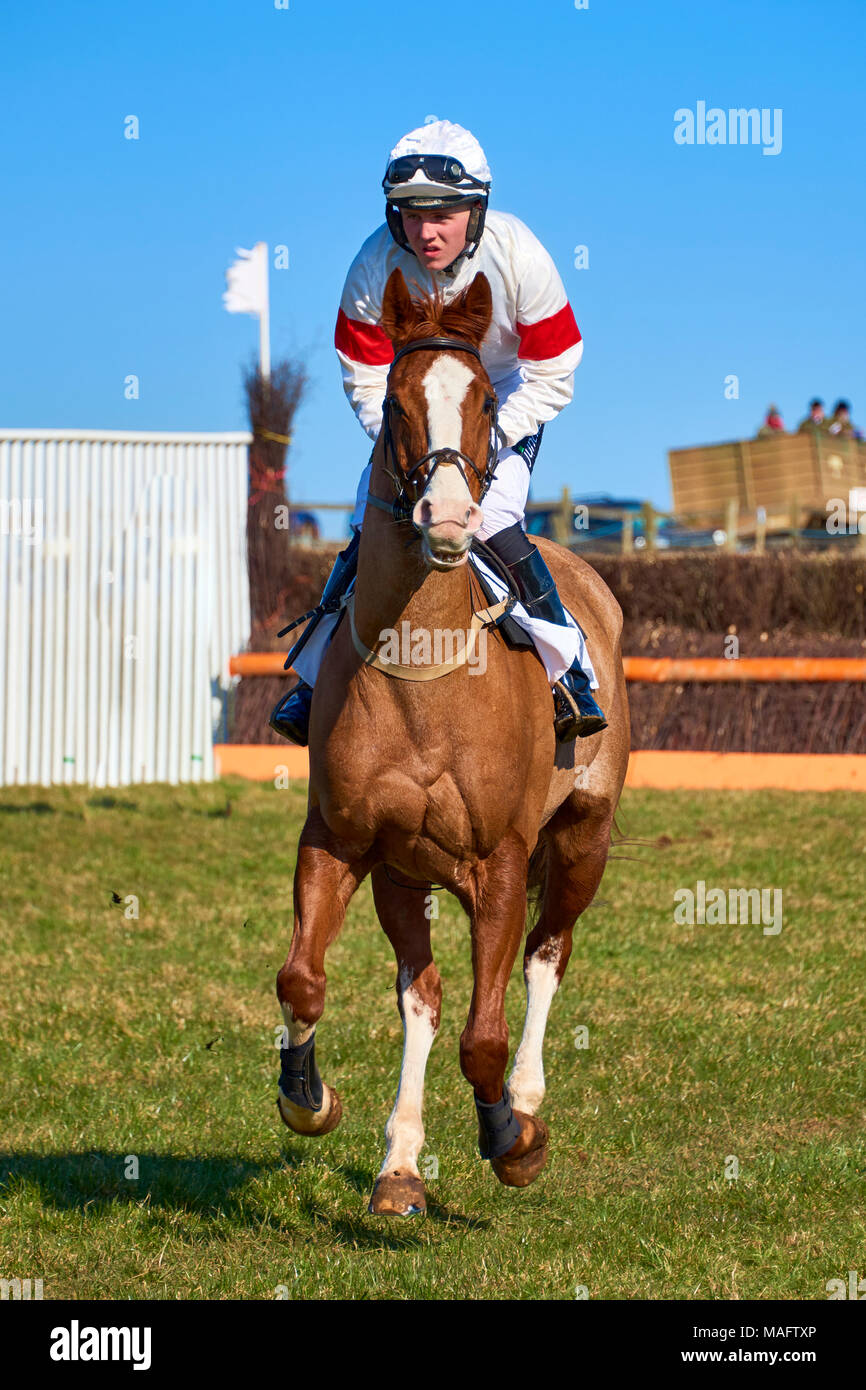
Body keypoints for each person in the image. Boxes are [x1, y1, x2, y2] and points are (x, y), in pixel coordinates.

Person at [270, 119, 606, 746]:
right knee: (370, 514)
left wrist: (485, 434)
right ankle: (314, 678)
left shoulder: (521, 254)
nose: (426, 232)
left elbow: (556, 368)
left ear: (476, 210)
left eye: (444, 214)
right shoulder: (372, 265)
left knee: (497, 511)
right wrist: (408, 443)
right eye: (410, 214)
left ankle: (570, 670)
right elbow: (366, 376)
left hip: (500, 396)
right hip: (415, 406)